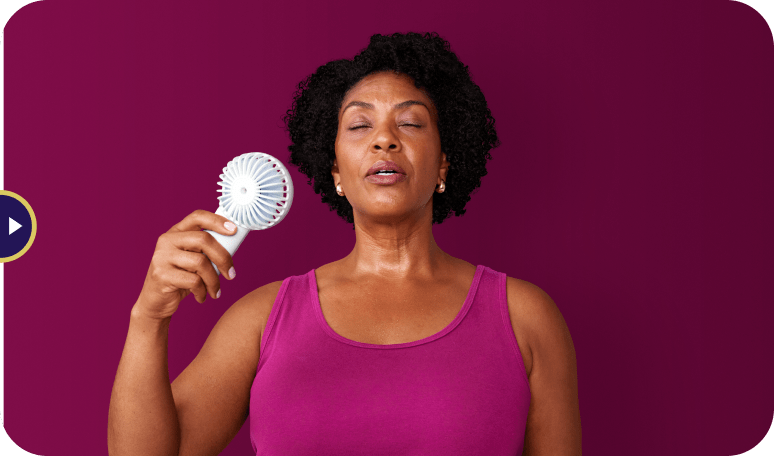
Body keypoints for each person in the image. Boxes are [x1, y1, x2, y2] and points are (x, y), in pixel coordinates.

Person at [108, 32, 581, 455]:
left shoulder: (525, 317)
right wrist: (148, 319)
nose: (384, 141)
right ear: (334, 170)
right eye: (359, 126)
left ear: (442, 165)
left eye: (411, 123)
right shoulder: (262, 320)